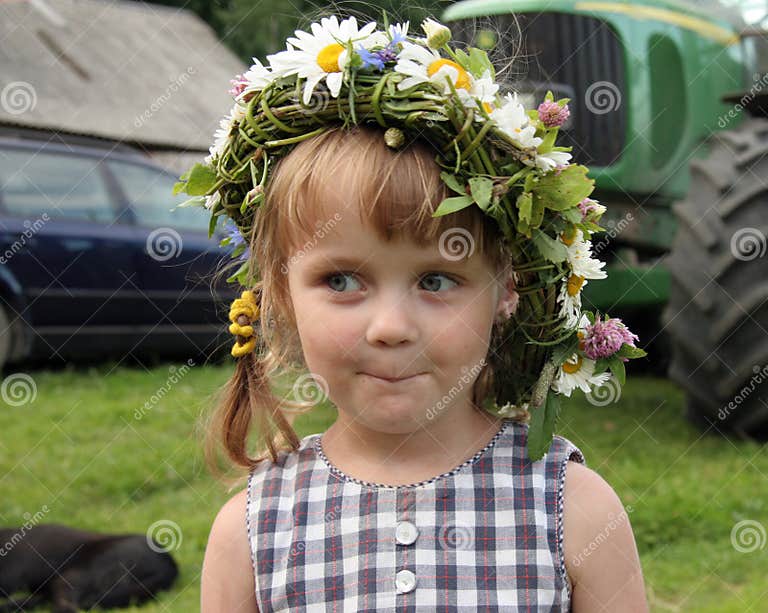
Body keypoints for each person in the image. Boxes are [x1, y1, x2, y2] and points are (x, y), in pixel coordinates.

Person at [189, 13, 649, 612]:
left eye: (437, 279)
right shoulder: (252, 532)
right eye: (342, 280)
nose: (390, 328)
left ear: (506, 289)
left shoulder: (573, 512)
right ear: (280, 293)